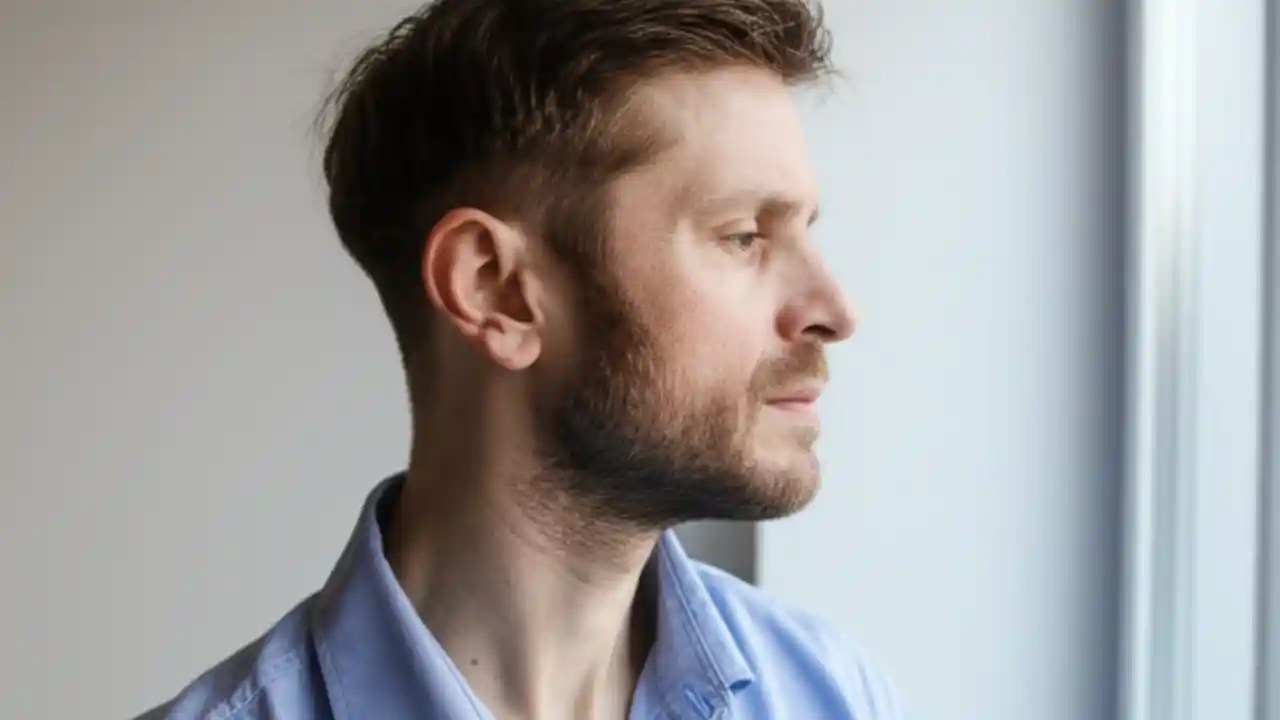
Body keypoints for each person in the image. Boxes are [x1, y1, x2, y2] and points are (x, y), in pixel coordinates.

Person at [140, 0, 903, 717]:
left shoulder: (827, 692)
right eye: (743, 236)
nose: (834, 311)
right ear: (494, 289)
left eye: (806, 229)